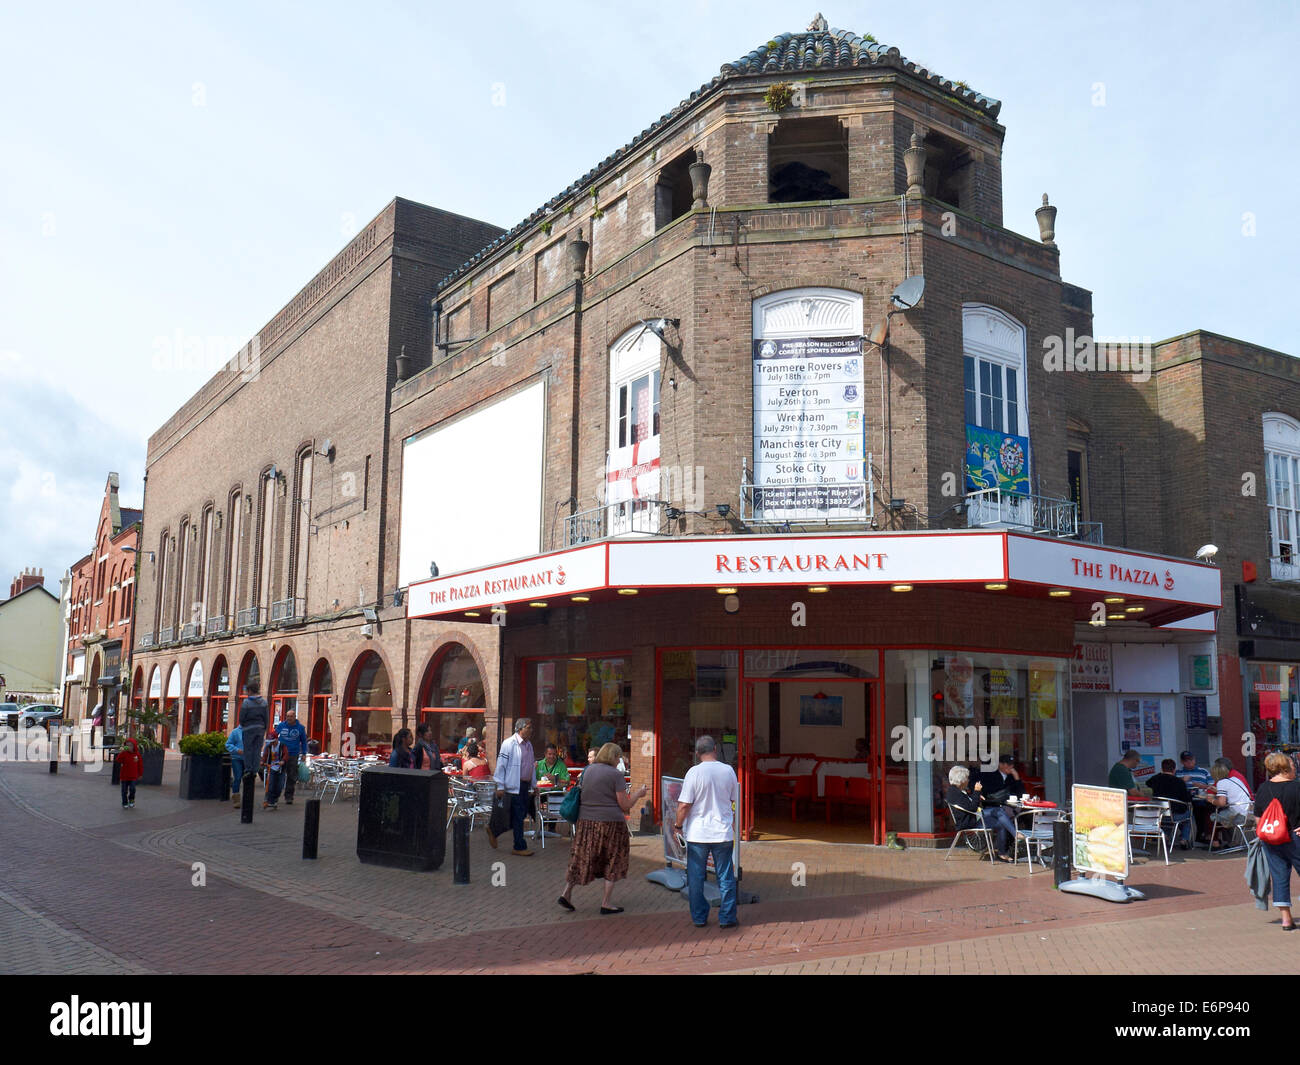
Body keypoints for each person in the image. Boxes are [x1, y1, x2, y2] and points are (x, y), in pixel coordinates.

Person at [557, 743, 648, 915]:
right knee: (613, 860)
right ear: (613, 757)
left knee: (582, 857)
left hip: (586, 823)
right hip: (611, 824)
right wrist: (639, 794)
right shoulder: (615, 775)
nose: (620, 760)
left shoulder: (588, 771)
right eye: (618, 757)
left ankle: (566, 893)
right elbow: (625, 805)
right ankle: (606, 903)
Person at [673, 736, 740, 928]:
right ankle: (727, 917)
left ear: (697, 753)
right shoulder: (728, 771)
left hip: (697, 834)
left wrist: (678, 826)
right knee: (725, 876)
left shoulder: (694, 773)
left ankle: (699, 917)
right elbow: (734, 799)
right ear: (715, 749)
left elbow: (684, 805)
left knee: (696, 877)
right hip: (722, 832)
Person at [1253, 751, 1300, 930]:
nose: (1295, 767)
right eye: (1293, 764)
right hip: (1295, 837)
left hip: (1272, 839)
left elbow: (1258, 818)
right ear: (1285, 768)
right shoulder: (1296, 787)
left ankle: (1286, 919)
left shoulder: (1264, 788)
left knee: (1279, 876)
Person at [945, 765, 1014, 863]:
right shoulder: (956, 793)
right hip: (969, 822)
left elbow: (967, 804)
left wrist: (976, 796)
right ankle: (1014, 836)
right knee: (999, 812)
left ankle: (1003, 852)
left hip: (971, 817)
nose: (968, 780)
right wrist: (977, 791)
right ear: (961, 780)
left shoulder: (954, 791)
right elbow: (972, 808)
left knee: (1000, 818)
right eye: (967, 778)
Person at [491, 718, 536, 856]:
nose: (531, 730)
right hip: (513, 785)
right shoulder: (509, 744)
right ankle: (519, 846)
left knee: (519, 815)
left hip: (524, 785)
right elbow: (501, 765)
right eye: (528, 727)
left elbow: (531, 766)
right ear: (520, 728)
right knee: (518, 816)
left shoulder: (529, 745)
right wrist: (500, 785)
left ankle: (493, 830)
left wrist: (533, 785)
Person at [1147, 758, 1194, 849]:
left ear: (1162, 769)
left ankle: (1166, 836)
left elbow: (1148, 782)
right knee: (1189, 815)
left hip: (1158, 814)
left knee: (1168, 815)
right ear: (1174, 769)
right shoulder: (1179, 782)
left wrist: (1160, 775)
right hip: (1174, 815)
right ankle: (1184, 840)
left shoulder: (1155, 779)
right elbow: (1187, 799)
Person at [1207, 756, 1252, 848]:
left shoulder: (1222, 782)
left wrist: (1211, 800)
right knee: (1223, 813)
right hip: (1249, 813)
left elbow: (1222, 803)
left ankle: (1214, 841)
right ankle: (1229, 840)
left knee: (1211, 815)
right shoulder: (1235, 778)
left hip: (1239, 816)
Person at [238, 680, 270, 788]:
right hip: (260, 729)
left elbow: (242, 717)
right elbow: (266, 717)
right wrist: (264, 727)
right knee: (257, 750)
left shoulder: (246, 703)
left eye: (247, 691)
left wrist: (243, 725)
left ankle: (248, 769)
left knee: (248, 749)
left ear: (250, 690)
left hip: (248, 729)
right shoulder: (264, 702)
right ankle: (255, 770)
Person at [1177, 750, 1214, 842]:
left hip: (1199, 799)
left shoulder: (1204, 772)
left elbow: (1213, 787)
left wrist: (1202, 786)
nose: (1189, 762)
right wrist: (1181, 780)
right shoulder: (1178, 773)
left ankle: (1201, 834)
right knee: (1178, 810)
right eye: (1186, 760)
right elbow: (1173, 786)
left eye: (1191, 760)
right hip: (1183, 801)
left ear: (1195, 760)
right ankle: (1185, 835)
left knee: (1202, 808)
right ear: (1182, 762)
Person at [274, 708, 309, 804]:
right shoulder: (281, 725)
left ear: (295, 717)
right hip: (281, 754)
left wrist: (304, 753)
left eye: (291, 716)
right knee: (279, 775)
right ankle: (275, 796)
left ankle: (289, 797)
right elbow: (274, 736)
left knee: (291, 776)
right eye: (287, 716)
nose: (289, 718)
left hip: (293, 754)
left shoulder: (300, 728)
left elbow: (304, 742)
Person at [262, 731, 288, 809]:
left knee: (280, 786)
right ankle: (270, 801)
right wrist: (262, 761)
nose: (271, 743)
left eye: (273, 741)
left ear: (276, 739)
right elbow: (265, 755)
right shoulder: (268, 747)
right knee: (271, 784)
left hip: (280, 768)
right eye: (270, 742)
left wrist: (283, 761)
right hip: (272, 767)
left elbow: (286, 754)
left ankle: (275, 799)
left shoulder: (282, 746)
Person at [115, 737, 143, 809]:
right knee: (124, 791)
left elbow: (140, 765)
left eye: (131, 745)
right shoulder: (124, 753)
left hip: (133, 776)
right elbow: (118, 760)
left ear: (134, 746)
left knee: (132, 789)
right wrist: (122, 752)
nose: (129, 747)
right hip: (124, 776)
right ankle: (124, 802)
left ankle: (131, 800)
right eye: (127, 745)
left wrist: (140, 774)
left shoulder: (137, 755)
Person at [226, 725, 245, 808]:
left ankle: (247, 799)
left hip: (247, 759)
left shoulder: (250, 731)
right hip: (236, 758)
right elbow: (228, 744)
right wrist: (237, 750)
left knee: (247, 779)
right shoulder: (235, 732)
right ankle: (236, 799)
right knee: (237, 777)